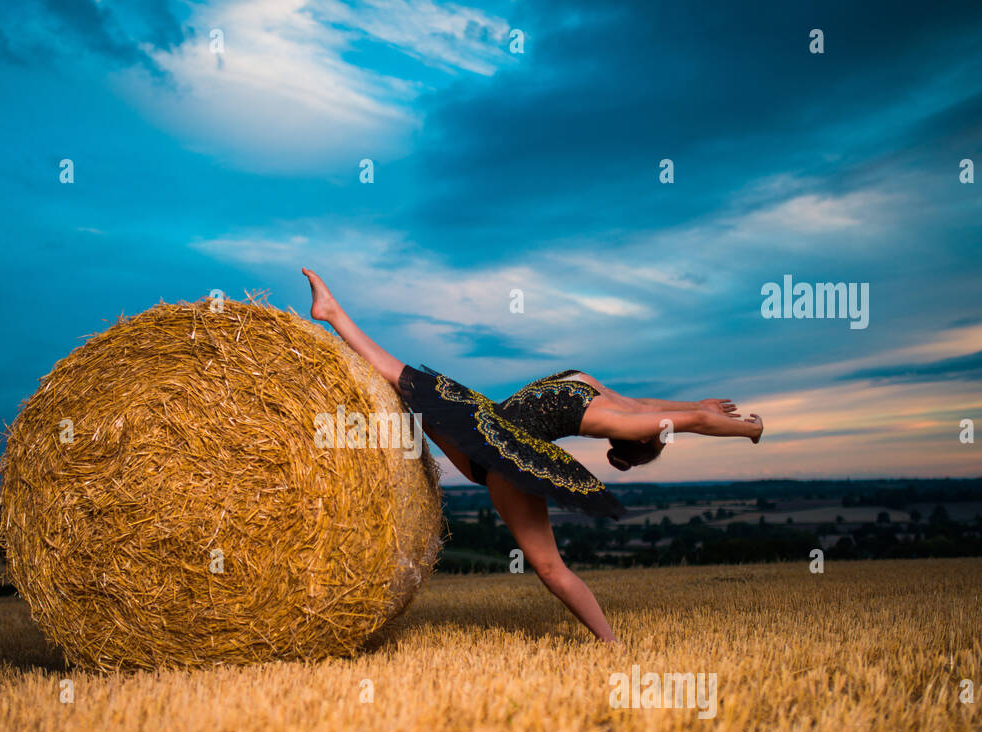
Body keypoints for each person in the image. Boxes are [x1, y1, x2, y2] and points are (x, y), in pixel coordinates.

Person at [303, 268, 763, 644]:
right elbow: (648, 407)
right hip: (486, 426)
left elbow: (676, 419)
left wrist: (747, 430)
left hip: (509, 459)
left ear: (638, 438)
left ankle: (610, 643)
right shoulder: (609, 401)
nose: (650, 427)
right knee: (404, 384)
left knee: (548, 566)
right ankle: (333, 314)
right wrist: (697, 407)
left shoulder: (606, 406)